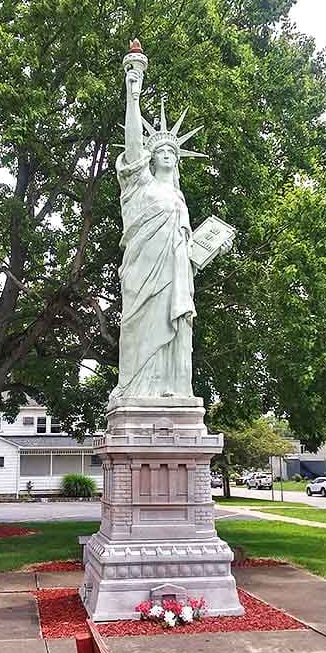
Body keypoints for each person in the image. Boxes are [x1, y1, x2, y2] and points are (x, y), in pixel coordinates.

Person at [110, 47, 207, 403]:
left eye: (172, 152)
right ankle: (134, 389)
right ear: (151, 159)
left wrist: (208, 248)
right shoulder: (141, 185)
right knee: (137, 327)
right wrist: (133, 94)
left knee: (175, 326)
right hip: (142, 274)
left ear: (177, 160)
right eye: (160, 151)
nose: (166, 154)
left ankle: (173, 390)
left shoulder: (179, 199)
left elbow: (188, 250)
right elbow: (134, 145)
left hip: (174, 277)